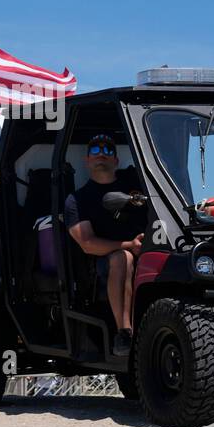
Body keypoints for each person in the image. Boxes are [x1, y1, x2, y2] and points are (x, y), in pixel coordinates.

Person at [64, 133, 148, 355]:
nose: (101, 153)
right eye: (94, 150)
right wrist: (129, 244)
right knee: (123, 258)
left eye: (108, 150)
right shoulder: (77, 200)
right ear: (87, 160)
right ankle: (124, 334)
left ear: (116, 160)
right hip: (102, 263)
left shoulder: (135, 186)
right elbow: (88, 244)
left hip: (148, 247)